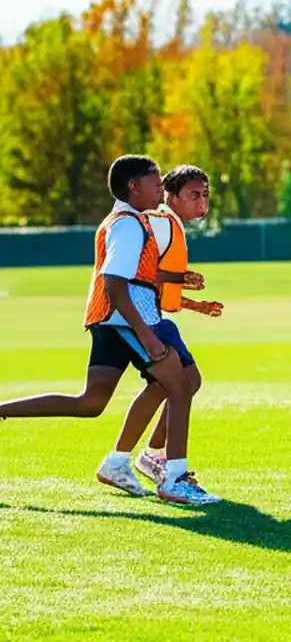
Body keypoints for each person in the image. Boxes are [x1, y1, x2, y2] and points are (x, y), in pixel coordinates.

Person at [0, 155, 215, 504]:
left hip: (109, 319)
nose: (161, 187)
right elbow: (115, 282)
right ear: (134, 187)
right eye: (156, 182)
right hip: (130, 317)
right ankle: (174, 477)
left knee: (91, 402)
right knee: (181, 385)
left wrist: (178, 283)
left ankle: (113, 461)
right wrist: (146, 333)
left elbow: (136, 275)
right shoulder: (129, 224)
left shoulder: (131, 220)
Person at [102, 165, 223, 496]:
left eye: (205, 195)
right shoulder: (159, 221)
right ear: (170, 195)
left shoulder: (170, 225)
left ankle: (138, 459)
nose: (202, 202)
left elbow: (154, 284)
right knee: (180, 385)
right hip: (138, 319)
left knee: (177, 384)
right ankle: (164, 468)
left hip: (149, 316)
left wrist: (194, 304)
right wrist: (177, 279)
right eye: (194, 195)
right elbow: (144, 274)